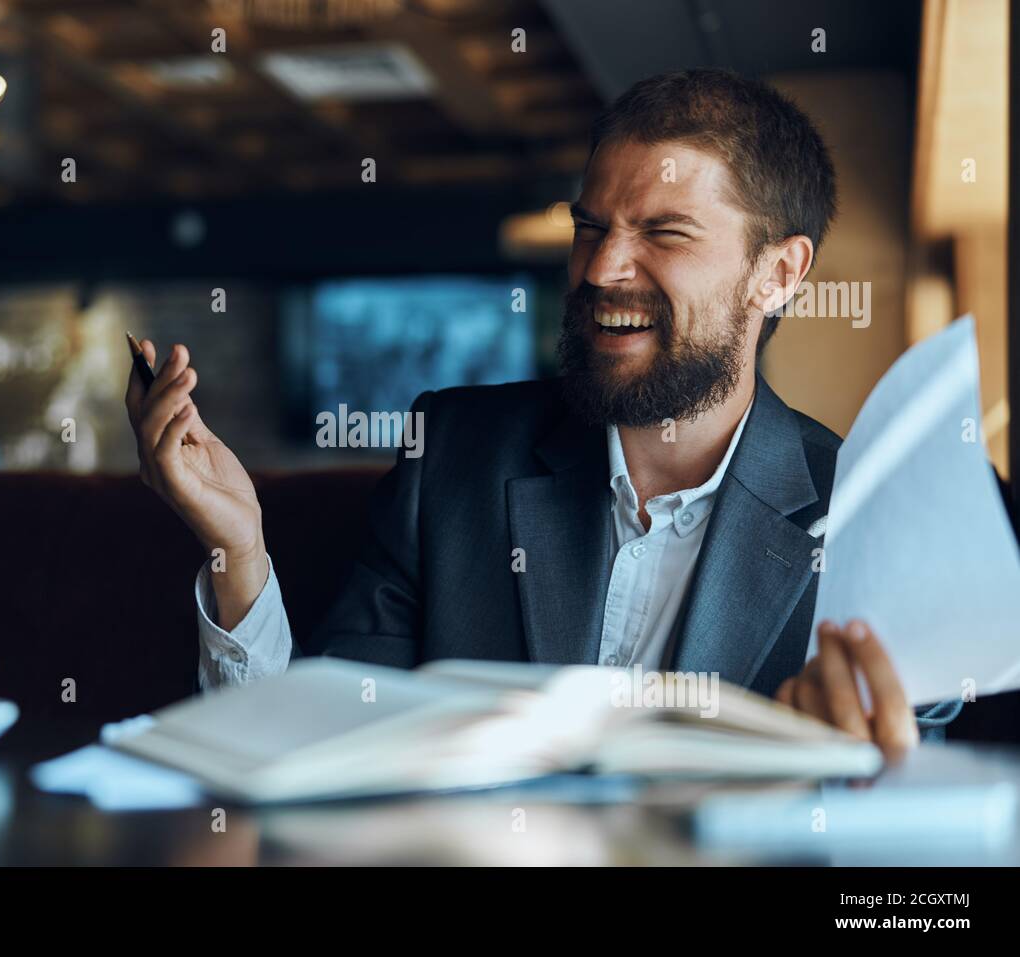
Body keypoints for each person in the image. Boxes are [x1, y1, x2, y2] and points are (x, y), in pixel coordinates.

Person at [125, 69, 961, 760]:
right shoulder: (456, 455)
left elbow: (910, 856)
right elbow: (318, 754)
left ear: (778, 274)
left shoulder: (865, 519)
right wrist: (238, 548)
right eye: (590, 226)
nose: (601, 268)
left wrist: (853, 771)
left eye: (663, 234)